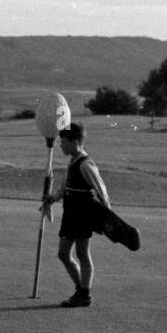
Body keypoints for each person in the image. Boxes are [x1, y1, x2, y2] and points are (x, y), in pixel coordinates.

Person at [40, 122, 110, 308]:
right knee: (63, 254)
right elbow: (65, 187)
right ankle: (81, 290)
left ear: (74, 142)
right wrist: (53, 198)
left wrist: (108, 216)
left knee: (82, 253)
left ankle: (84, 294)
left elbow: (101, 190)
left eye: (63, 141)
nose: (60, 145)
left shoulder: (86, 164)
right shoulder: (72, 162)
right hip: (70, 214)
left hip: (82, 215)